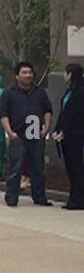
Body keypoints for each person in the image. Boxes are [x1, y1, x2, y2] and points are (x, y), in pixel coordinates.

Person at [0, 61, 54, 207]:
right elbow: (3, 114)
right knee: (16, 167)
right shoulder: (9, 93)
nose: (28, 75)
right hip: (18, 134)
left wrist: (46, 128)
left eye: (29, 72)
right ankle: (11, 197)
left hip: (35, 132)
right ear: (17, 76)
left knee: (37, 166)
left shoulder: (39, 92)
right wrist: (9, 132)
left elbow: (47, 110)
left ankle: (40, 197)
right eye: (24, 72)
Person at [53, 63, 84, 210]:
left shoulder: (80, 92)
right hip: (66, 135)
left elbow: (76, 116)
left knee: (77, 167)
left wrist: (65, 131)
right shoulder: (70, 91)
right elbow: (64, 112)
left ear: (70, 74)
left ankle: (78, 200)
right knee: (71, 168)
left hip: (76, 135)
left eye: (66, 73)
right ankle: (74, 198)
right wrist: (58, 129)